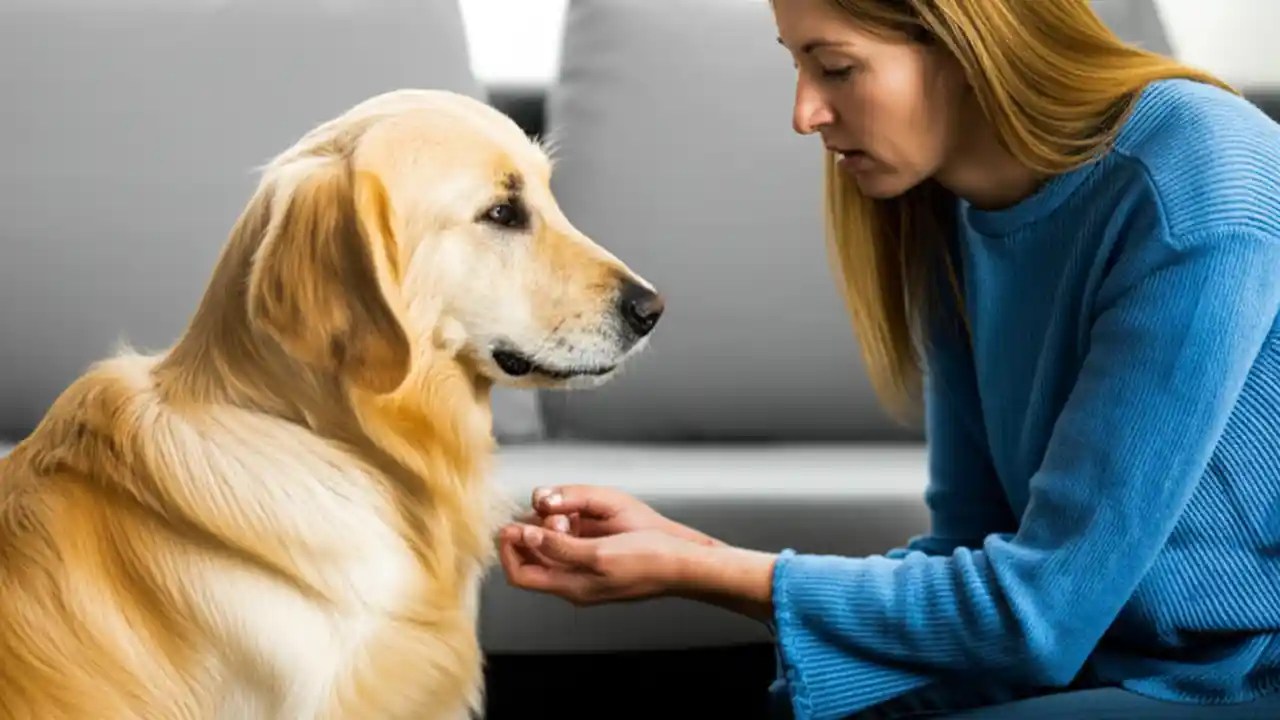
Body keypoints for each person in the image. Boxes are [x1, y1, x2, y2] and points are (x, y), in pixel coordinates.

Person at [497, 0, 1280, 718]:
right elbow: (971, 553)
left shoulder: (1197, 174)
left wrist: (702, 572)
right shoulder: (954, 212)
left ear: (969, 39)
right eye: (795, 65)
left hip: (1237, 669)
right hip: (1102, 656)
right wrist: (688, 552)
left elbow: (1040, 613)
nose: (805, 113)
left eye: (836, 67)